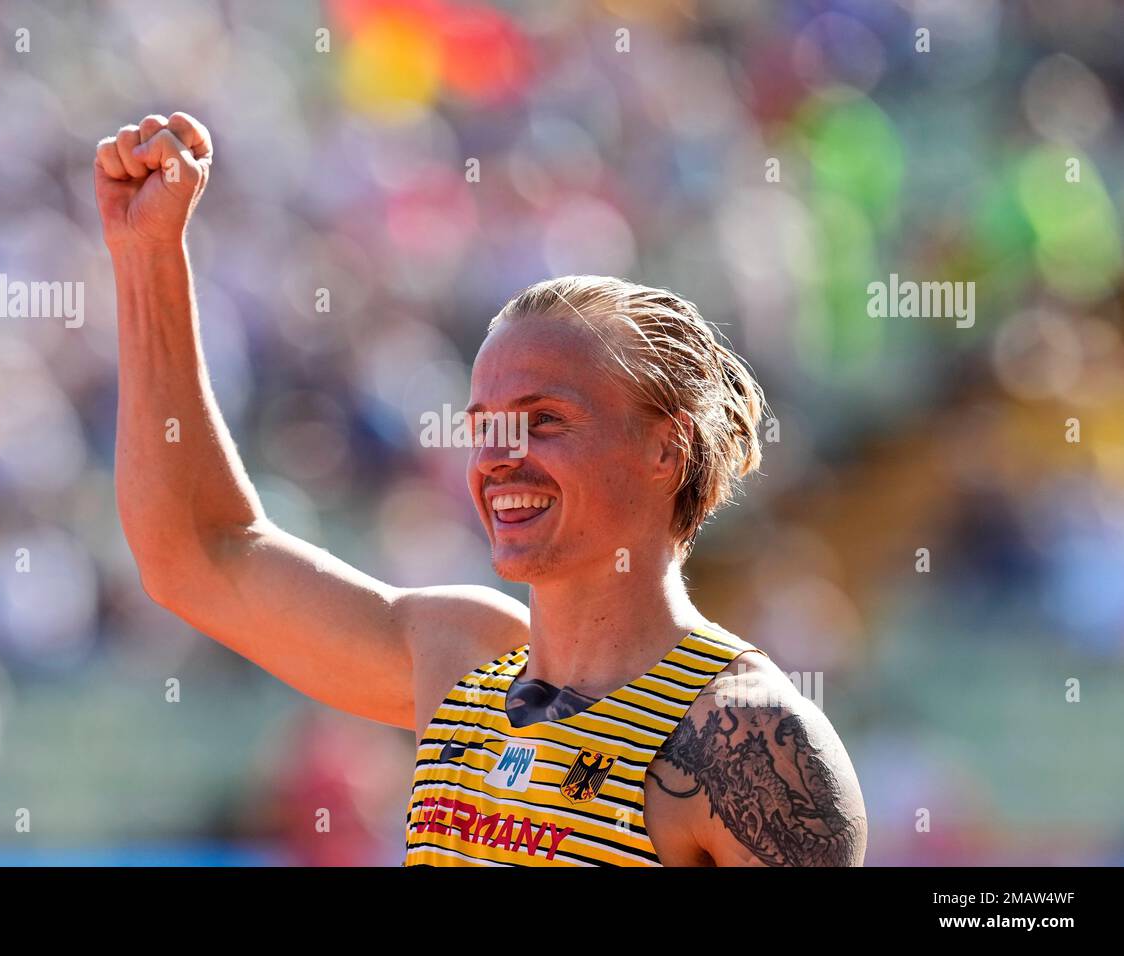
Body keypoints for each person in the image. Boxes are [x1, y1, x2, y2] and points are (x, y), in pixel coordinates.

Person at [94, 111, 868, 867]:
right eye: (485, 425)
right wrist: (147, 254)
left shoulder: (751, 742)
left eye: (545, 420)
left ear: (666, 448)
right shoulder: (461, 658)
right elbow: (197, 552)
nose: (499, 457)